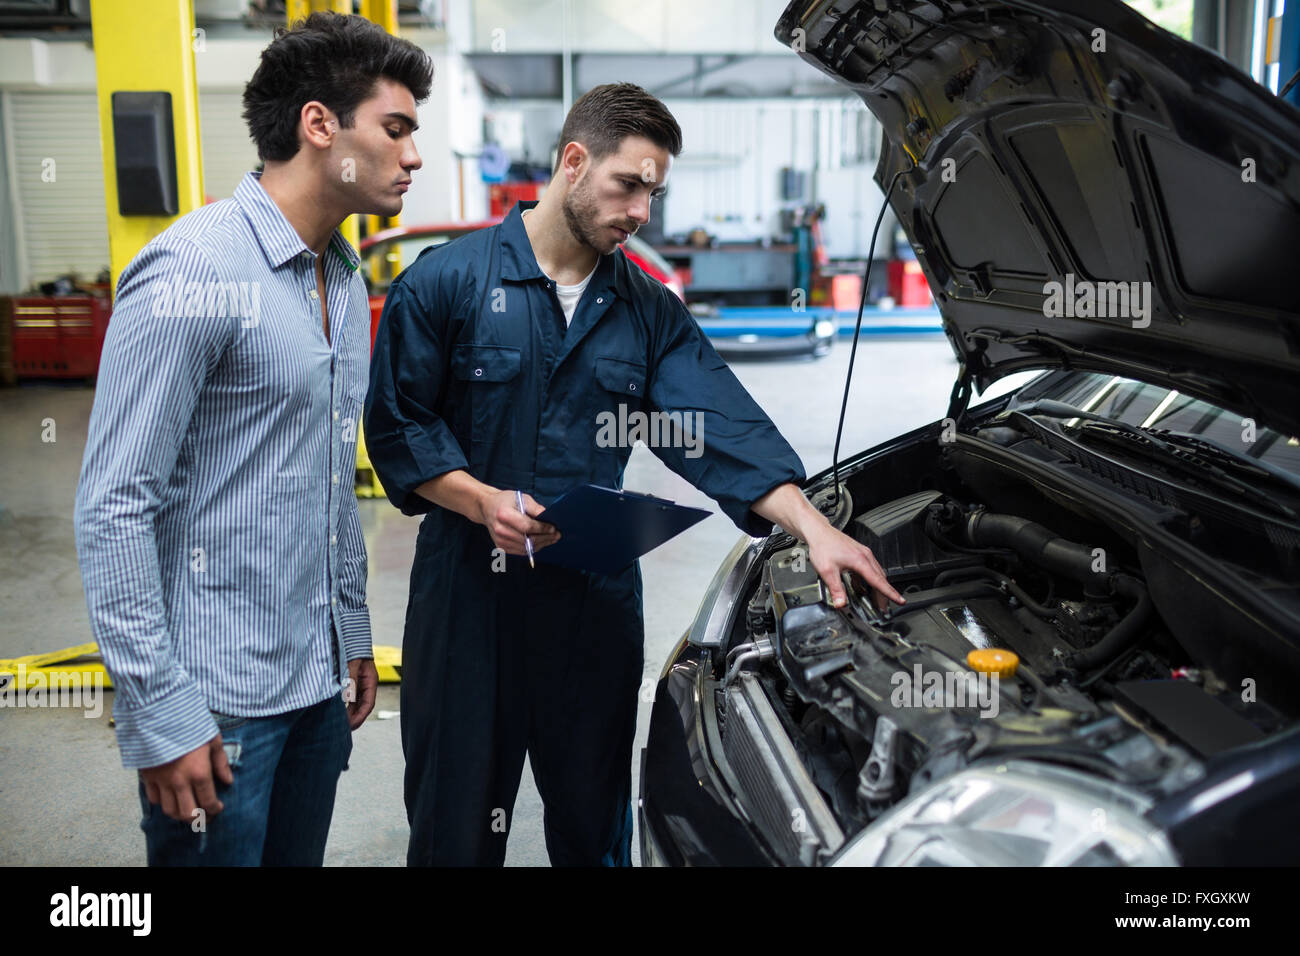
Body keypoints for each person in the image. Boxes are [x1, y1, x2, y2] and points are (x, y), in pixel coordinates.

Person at [364, 82, 904, 867]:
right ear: (575, 162)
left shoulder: (646, 311)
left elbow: (720, 430)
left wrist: (816, 531)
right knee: (455, 830)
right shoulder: (447, 283)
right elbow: (400, 426)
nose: (643, 210)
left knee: (595, 830)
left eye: (655, 192)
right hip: (467, 609)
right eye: (630, 184)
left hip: (590, 613)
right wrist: (480, 501)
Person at [73, 12, 432, 866]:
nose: (414, 155)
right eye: (396, 128)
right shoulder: (195, 268)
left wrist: (349, 631)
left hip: (313, 683)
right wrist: (159, 711)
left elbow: (322, 477)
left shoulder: (341, 278)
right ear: (319, 126)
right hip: (215, 700)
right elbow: (115, 503)